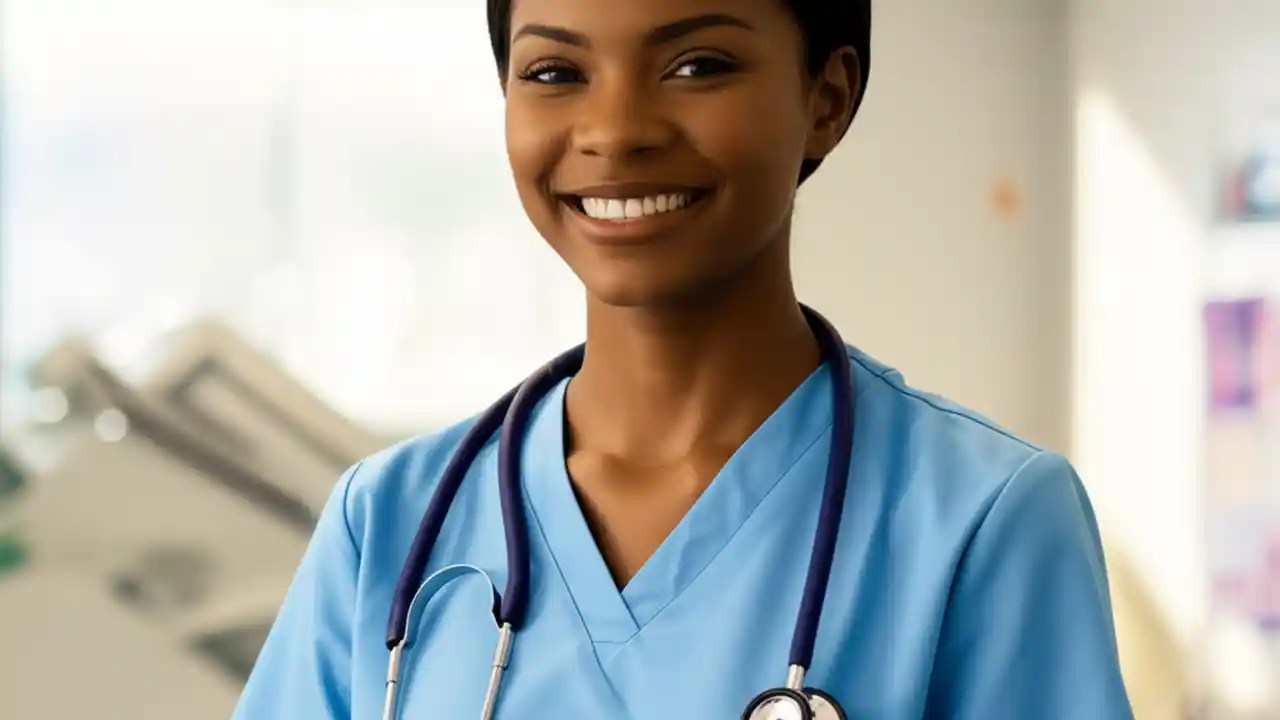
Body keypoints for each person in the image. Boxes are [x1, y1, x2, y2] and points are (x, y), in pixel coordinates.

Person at [234, 0, 1134, 717]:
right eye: (555, 72)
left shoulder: (982, 520)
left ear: (827, 98)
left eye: (697, 65)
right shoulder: (387, 526)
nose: (615, 129)